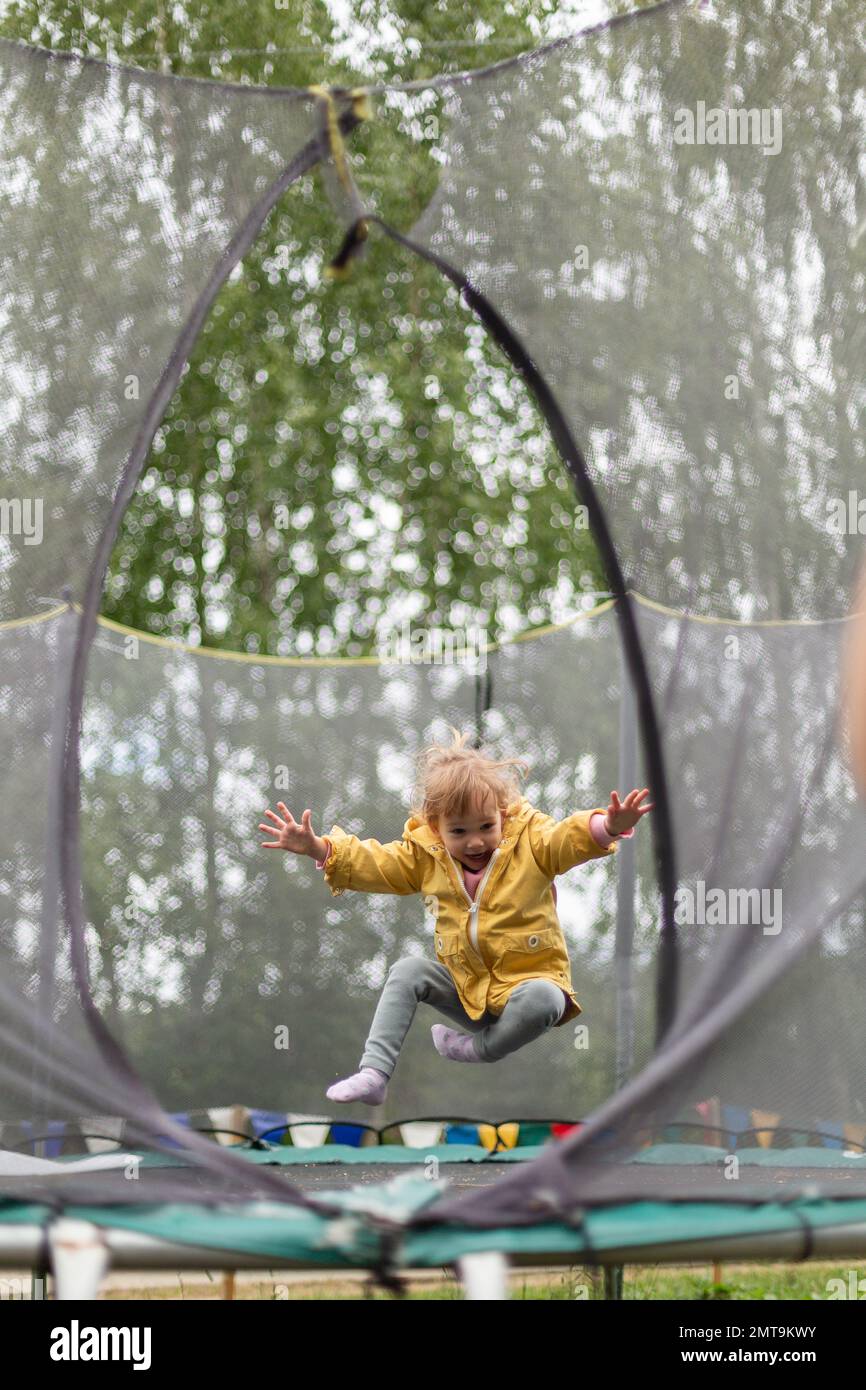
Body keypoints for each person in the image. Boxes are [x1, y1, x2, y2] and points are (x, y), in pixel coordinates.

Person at [258, 728, 653, 1105]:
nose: (476, 841)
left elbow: (566, 838)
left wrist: (608, 825)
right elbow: (376, 863)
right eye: (460, 831)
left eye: (486, 826)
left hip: (524, 989)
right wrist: (318, 847)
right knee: (408, 970)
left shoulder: (531, 842)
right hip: (466, 989)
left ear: (502, 814)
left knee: (546, 998)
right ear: (436, 827)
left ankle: (479, 1049)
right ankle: (374, 1074)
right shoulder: (425, 857)